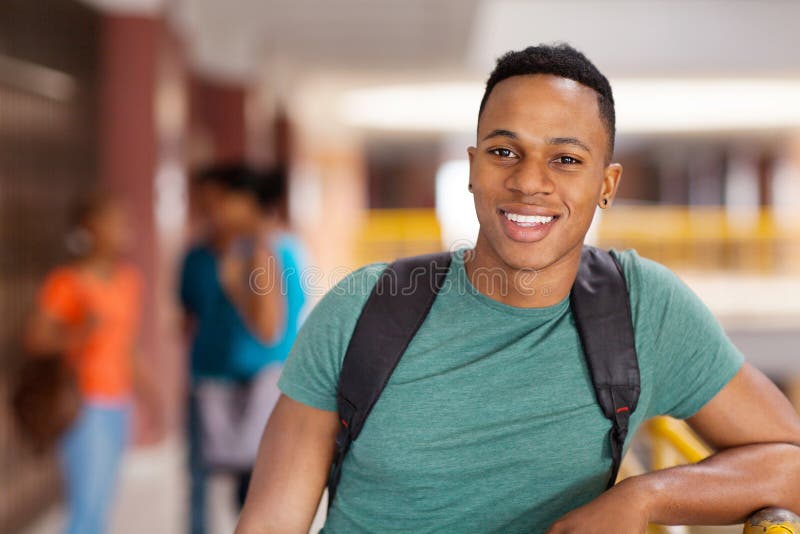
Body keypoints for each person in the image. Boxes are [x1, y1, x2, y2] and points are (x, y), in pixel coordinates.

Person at [236, 44, 800, 533]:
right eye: (505, 152)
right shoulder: (363, 308)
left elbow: (789, 462)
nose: (530, 181)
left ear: (606, 184)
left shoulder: (642, 309)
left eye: (566, 159)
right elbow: (268, 522)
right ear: (473, 168)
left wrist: (645, 495)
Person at [179, 164, 307, 533]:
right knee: (232, 486)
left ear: (249, 204)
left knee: (254, 490)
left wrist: (235, 285)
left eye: (223, 202)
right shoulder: (232, 250)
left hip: (262, 382)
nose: (214, 211)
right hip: (218, 377)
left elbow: (268, 328)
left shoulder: (264, 249)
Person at [24, 191, 158, 534]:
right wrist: (78, 333)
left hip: (119, 403)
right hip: (83, 404)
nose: (122, 229)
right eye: (112, 221)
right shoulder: (67, 283)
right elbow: (35, 339)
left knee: (101, 505)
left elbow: (128, 347)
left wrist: (150, 397)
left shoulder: (129, 281)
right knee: (86, 507)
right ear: (89, 228)